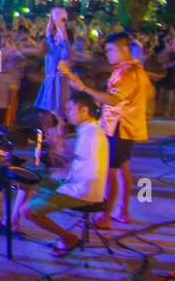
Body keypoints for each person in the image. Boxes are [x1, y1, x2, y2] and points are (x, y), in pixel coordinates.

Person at [60, 32, 151, 228]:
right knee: (122, 169)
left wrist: (84, 89)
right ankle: (122, 211)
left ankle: (106, 216)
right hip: (125, 125)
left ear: (125, 50)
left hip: (120, 126)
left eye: (111, 50)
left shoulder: (127, 72)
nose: (108, 54)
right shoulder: (134, 70)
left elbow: (114, 99)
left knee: (111, 172)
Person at [17, 91, 108, 256]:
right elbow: (81, 163)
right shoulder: (89, 130)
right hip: (76, 183)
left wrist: (63, 176)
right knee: (29, 174)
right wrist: (63, 168)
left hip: (81, 191)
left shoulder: (91, 134)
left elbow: (89, 174)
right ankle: (11, 222)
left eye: (70, 110)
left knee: (27, 211)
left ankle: (68, 238)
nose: (67, 114)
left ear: (84, 111)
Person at [34, 6, 70, 115]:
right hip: (49, 81)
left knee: (57, 112)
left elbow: (65, 43)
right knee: (45, 113)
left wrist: (61, 28)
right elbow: (48, 32)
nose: (55, 37)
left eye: (57, 36)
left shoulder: (65, 52)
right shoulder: (54, 49)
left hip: (58, 84)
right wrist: (52, 18)